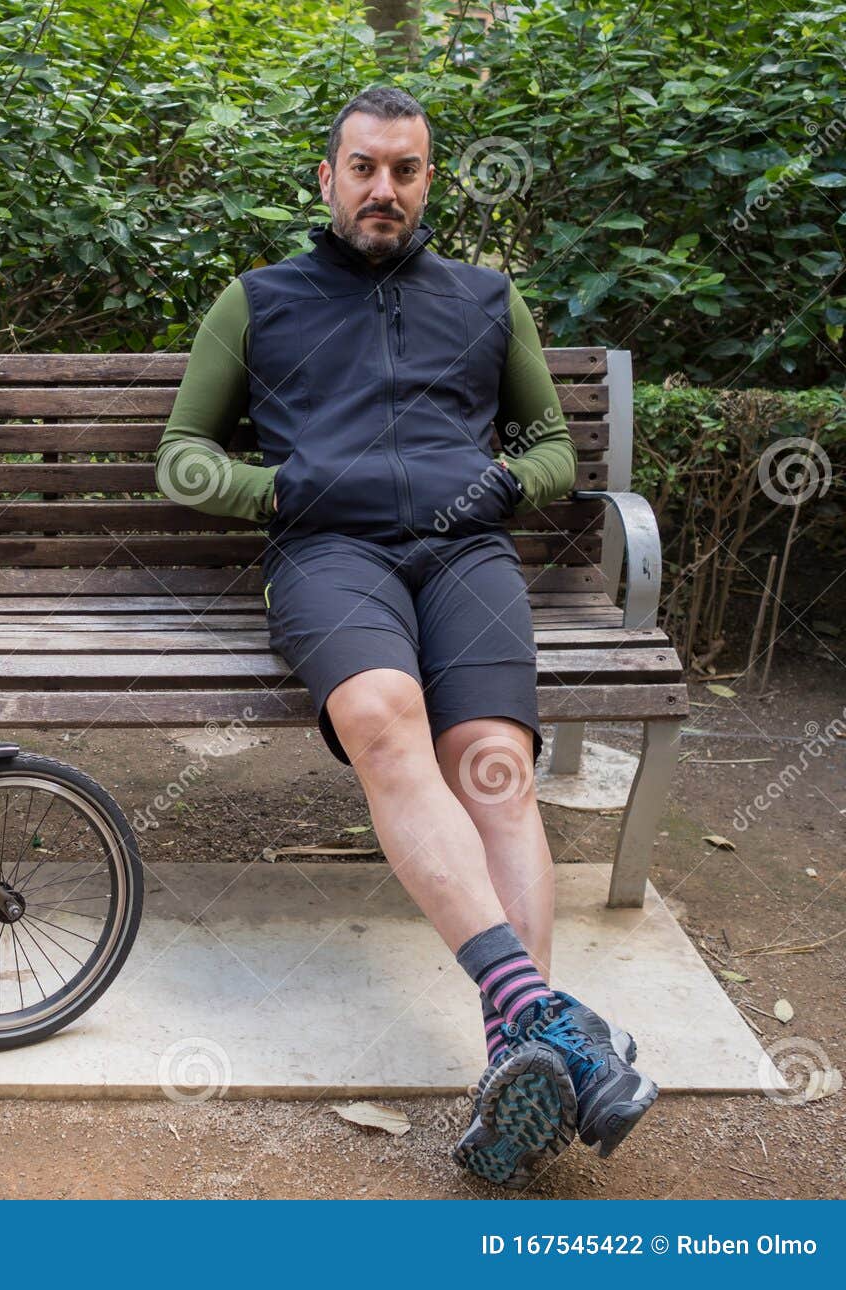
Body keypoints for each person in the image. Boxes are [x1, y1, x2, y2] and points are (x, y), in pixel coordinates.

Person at [156, 85, 658, 1190]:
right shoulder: (257, 302)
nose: (384, 189)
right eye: (364, 168)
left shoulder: (485, 300)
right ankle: (548, 1023)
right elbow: (182, 456)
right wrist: (286, 488)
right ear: (326, 178)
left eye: (406, 170)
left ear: (430, 180)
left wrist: (498, 484)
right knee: (387, 720)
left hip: (464, 554)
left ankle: (512, 1059)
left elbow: (553, 452)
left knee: (495, 768)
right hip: (329, 555)